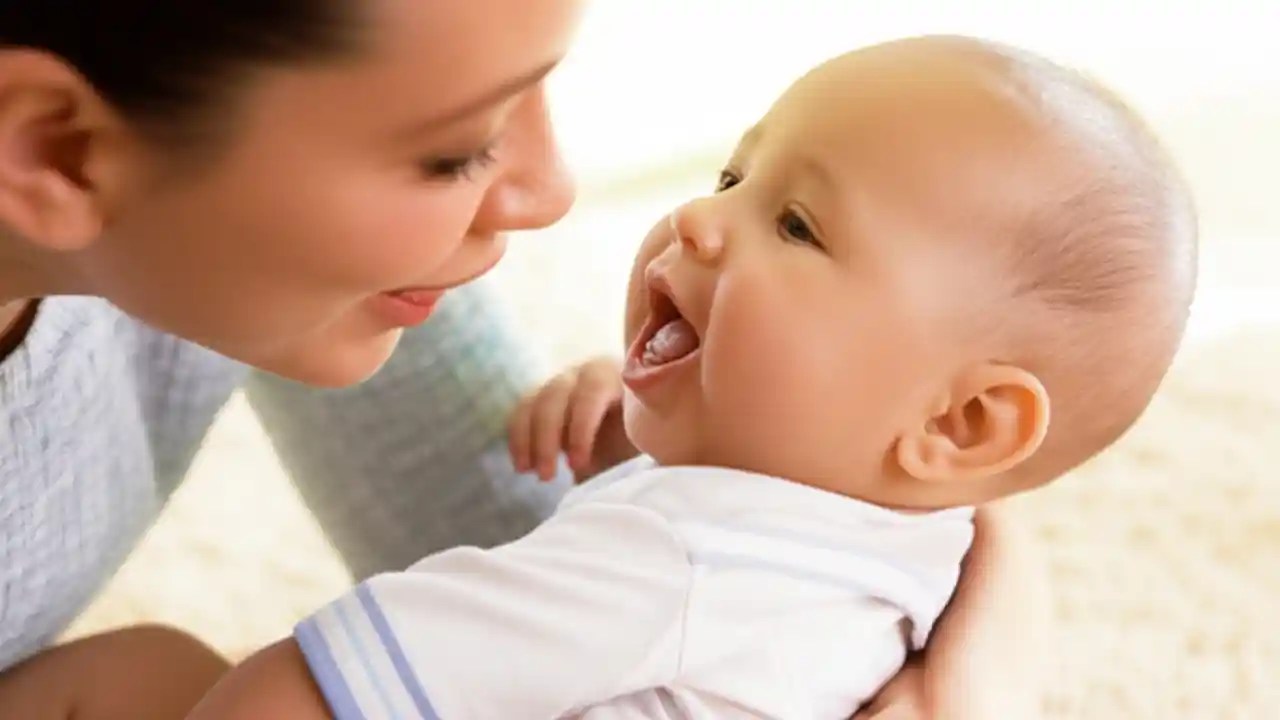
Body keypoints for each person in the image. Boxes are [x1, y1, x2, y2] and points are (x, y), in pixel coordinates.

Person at [0, 3, 1042, 719]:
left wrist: (682, 465)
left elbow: (499, 515)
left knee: (145, 676)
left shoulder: (243, 256)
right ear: (57, 152)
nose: (548, 190)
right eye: (459, 147)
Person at [184, 35, 1196, 720]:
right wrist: (648, 431)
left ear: (965, 424)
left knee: (141, 673)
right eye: (732, 179)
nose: (700, 219)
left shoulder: (671, 556)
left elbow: (308, 693)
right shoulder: (913, 551)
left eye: (795, 223)